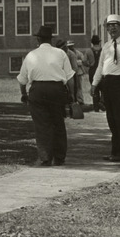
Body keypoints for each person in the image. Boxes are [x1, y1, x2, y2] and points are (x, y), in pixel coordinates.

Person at [17, 25, 75, 166]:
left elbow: (22, 80)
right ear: (51, 39)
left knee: (42, 125)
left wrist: (24, 94)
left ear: (38, 39)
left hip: (37, 90)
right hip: (56, 90)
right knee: (58, 123)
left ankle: (45, 157)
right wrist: (71, 95)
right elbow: (70, 78)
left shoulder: (31, 55)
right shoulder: (60, 54)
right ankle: (59, 157)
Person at [90, 14, 120, 162]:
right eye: (109, 26)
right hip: (108, 83)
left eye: (115, 25)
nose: (112, 28)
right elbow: (100, 67)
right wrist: (94, 83)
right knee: (111, 119)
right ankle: (115, 152)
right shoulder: (106, 46)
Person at [82, 35, 103, 111]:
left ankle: (96, 107)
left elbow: (84, 61)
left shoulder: (88, 51)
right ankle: (102, 103)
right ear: (99, 42)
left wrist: (89, 64)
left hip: (92, 71)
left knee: (95, 89)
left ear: (92, 43)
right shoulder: (103, 50)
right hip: (102, 71)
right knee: (103, 88)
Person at [66, 41, 85, 105]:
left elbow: (83, 60)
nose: (70, 47)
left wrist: (78, 62)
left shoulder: (78, 53)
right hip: (70, 72)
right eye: (69, 46)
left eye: (71, 46)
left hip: (78, 72)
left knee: (78, 87)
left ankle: (80, 100)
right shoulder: (67, 53)